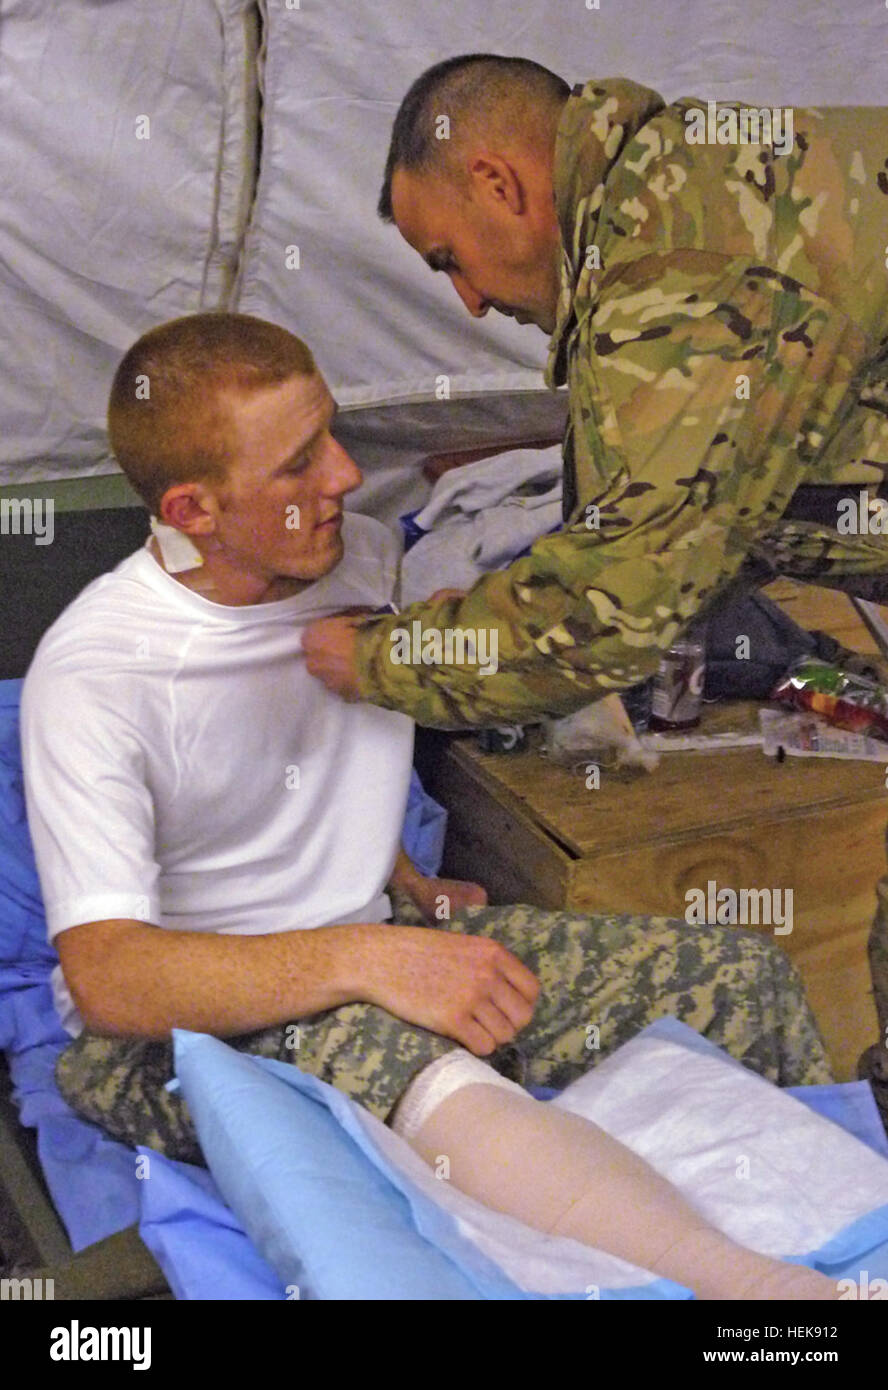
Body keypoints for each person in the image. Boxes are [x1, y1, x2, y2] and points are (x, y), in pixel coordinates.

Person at [21, 312, 838, 1299]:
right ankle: (775, 1298)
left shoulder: (357, 559)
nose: (345, 478)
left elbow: (300, 775)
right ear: (193, 508)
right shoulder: (96, 675)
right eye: (296, 464)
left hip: (376, 937)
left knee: (737, 977)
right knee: (426, 1075)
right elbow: (111, 981)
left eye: (331, 434)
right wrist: (375, 956)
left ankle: (847, 1229)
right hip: (180, 1029)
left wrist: (402, 888)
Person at [299, 51, 888, 1114]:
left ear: (498, 184)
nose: (470, 303)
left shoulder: (671, 269)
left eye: (449, 261)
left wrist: (382, 656)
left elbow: (610, 608)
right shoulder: (689, 185)